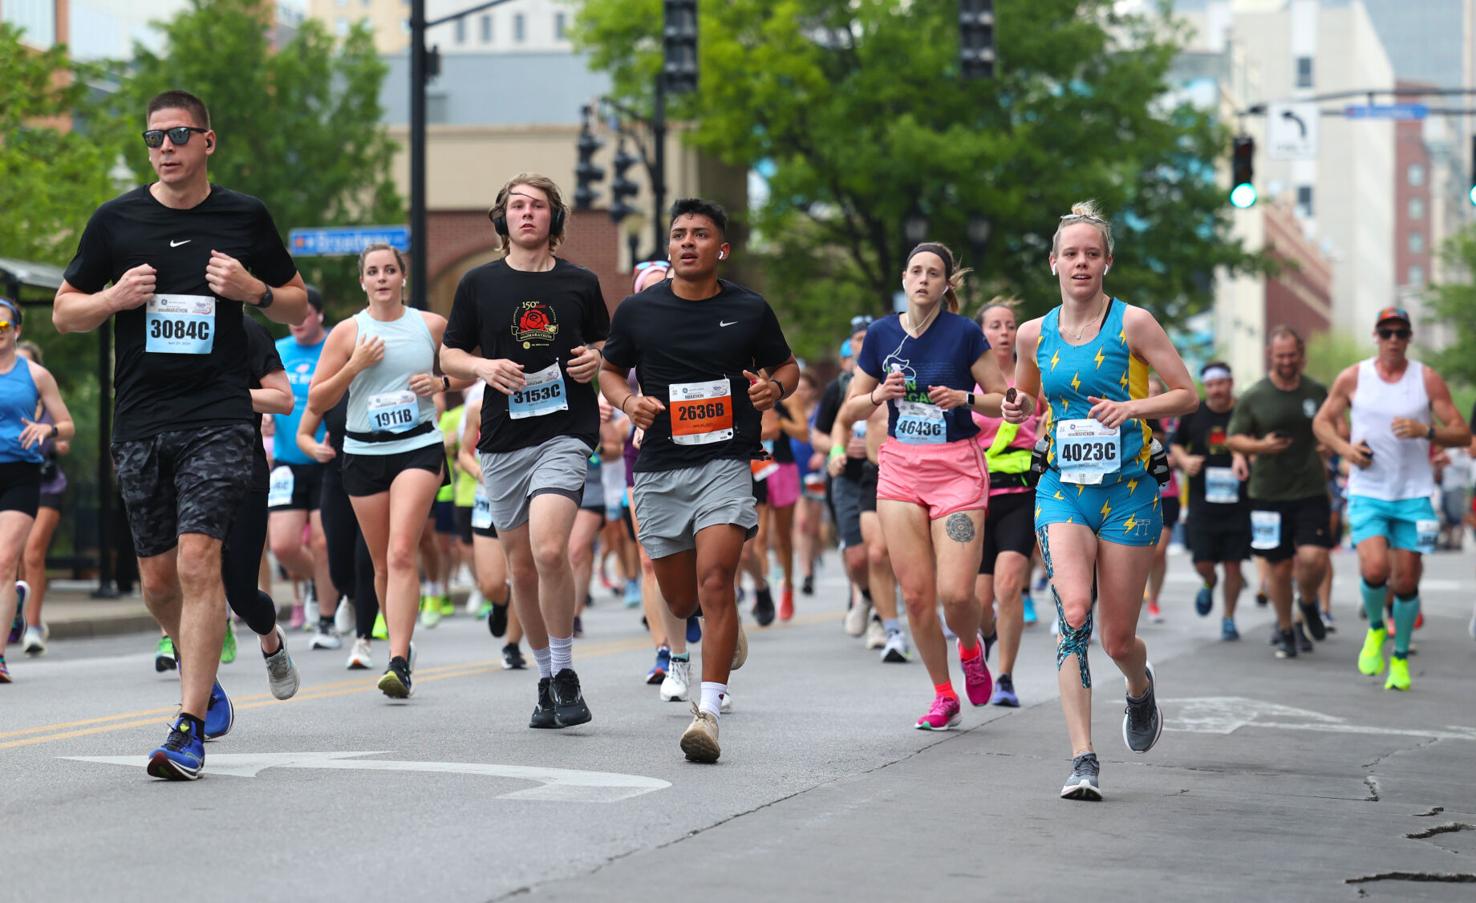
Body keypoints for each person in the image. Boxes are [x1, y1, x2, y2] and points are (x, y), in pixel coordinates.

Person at [53, 90, 309, 779]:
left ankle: (188, 724)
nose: (164, 147)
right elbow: (63, 313)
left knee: (200, 562)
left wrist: (252, 288)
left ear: (208, 141)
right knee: (158, 579)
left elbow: (295, 301)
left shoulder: (244, 216)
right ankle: (205, 673)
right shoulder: (116, 221)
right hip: (140, 420)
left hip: (218, 417)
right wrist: (111, 299)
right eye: (154, 138)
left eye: (177, 135)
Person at [1002, 201, 1198, 800]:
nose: (1081, 263)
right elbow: (1029, 400)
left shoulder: (1134, 323)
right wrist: (1016, 408)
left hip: (1130, 492)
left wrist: (1132, 409)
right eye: (1071, 254)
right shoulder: (1034, 333)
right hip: (1062, 488)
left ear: (1106, 261)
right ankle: (1082, 757)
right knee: (1075, 614)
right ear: (1054, 263)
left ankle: (1139, 686)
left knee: (1116, 637)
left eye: (1092, 253)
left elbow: (1186, 394)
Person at [600, 197, 798, 763]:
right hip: (661, 466)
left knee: (715, 577)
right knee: (683, 599)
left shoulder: (749, 309)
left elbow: (787, 365)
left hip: (725, 462)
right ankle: (722, 623)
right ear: (668, 247)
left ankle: (707, 712)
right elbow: (612, 370)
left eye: (701, 234)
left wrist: (774, 389)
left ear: (722, 248)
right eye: (680, 234)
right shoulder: (638, 312)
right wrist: (626, 403)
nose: (688, 242)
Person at [441, 173, 609, 730]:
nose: (527, 214)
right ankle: (544, 679)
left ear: (554, 220)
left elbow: (605, 346)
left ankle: (565, 672)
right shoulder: (478, 284)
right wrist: (484, 366)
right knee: (521, 568)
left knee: (549, 548)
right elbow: (449, 357)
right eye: (517, 206)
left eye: (538, 206)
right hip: (503, 439)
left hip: (565, 432)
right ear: (502, 219)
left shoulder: (580, 283)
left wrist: (594, 362)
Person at [838, 242, 1008, 732]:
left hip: (956, 470)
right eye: (916, 271)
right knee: (916, 595)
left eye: (934, 273)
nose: (924, 280)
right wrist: (877, 394)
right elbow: (849, 409)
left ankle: (972, 648)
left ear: (945, 284)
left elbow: (1000, 400)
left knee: (956, 594)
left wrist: (966, 397)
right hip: (900, 472)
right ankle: (943, 693)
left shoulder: (964, 334)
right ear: (905, 276)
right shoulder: (881, 334)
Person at [308, 243, 446, 699]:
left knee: (403, 551)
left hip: (418, 446)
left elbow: (467, 368)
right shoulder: (348, 333)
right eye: (373, 271)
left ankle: (399, 659)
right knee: (383, 560)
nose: (382, 277)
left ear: (403, 276)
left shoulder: (430, 326)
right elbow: (317, 400)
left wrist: (441, 382)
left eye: (390, 269)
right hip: (363, 451)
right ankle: (398, 640)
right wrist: (355, 366)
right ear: (362, 281)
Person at [1312, 307, 1468, 691]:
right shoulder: (1354, 377)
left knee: (1406, 580)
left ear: (1410, 337)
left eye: (1400, 332)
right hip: (1368, 490)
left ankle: (1399, 658)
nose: (1393, 339)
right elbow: (1321, 422)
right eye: (1387, 333)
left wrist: (1425, 430)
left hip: (1414, 494)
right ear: (1376, 336)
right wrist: (1345, 451)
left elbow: (1462, 432)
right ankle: (1377, 629)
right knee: (1376, 569)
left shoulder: (1426, 380)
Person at [1226, 326, 1333, 660]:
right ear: (1271, 354)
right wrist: (1262, 446)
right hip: (1267, 493)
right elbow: (1234, 438)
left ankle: (1310, 601)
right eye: (1280, 355)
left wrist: (1329, 442)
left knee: (1315, 558)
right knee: (1279, 568)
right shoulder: (1256, 395)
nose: (1287, 361)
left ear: (1301, 355)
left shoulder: (1316, 390)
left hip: (1310, 487)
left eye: (1292, 355)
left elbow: (1334, 426)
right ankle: (1286, 628)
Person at [1, 299, 75, 682]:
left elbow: (67, 425)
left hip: (19, 474)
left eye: (3, 325)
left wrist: (48, 429)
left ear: (16, 331)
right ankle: (14, 604)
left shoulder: (35, 374)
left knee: (4, 561)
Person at [970, 299, 1040, 706]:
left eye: (1010, 324)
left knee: (1009, 585)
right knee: (978, 601)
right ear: (982, 333)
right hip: (975, 495)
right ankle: (988, 632)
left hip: (1020, 494)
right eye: (995, 325)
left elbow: (1052, 416)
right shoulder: (968, 379)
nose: (1003, 332)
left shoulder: (1032, 377)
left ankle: (1006, 678)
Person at [228, 313, 301, 699]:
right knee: (186, 582)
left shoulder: (247, 331)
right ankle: (200, 697)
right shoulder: (160, 328)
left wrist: (226, 395)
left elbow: (284, 399)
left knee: (241, 593)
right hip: (180, 472)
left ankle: (271, 639)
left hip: (242, 470)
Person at [268, 286, 339, 641]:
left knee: (324, 542)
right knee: (282, 545)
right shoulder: (278, 350)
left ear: (320, 315)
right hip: (287, 462)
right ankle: (320, 582)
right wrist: (263, 419)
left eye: (307, 313)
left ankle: (327, 620)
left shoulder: (334, 347)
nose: (299, 320)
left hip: (326, 459)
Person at [298, 397, 382, 669]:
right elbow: (304, 435)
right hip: (336, 481)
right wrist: (315, 450)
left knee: (365, 560)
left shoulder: (384, 381)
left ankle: (363, 641)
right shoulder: (333, 387)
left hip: (374, 480)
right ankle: (350, 594)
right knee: (338, 565)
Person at [1170, 361, 1252, 640]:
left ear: (1230, 383)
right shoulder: (1195, 412)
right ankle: (1209, 581)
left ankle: (1228, 618)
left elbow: (1257, 443)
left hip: (1237, 499)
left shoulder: (1244, 411)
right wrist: (1184, 460)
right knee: (1202, 561)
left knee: (1233, 563)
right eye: (1211, 385)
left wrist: (1244, 455)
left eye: (1221, 383)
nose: (1216, 390)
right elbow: (1176, 442)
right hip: (1202, 499)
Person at [457, 384, 527, 670]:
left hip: (523, 497)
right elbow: (463, 454)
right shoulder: (477, 408)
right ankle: (500, 605)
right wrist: (479, 472)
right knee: (491, 584)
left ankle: (512, 645)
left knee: (521, 575)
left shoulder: (530, 404)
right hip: (487, 501)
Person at [813, 319, 874, 636]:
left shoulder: (892, 380)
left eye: (870, 337)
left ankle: (882, 620)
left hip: (882, 475)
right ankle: (865, 596)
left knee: (879, 551)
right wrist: (838, 449)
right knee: (856, 555)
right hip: (847, 478)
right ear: (851, 346)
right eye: (859, 339)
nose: (864, 344)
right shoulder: (838, 388)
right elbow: (818, 436)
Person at [14, 340, 69, 656]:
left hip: (47, 486)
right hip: (13, 483)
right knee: (14, 557)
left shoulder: (48, 401)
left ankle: (33, 626)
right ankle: (19, 618)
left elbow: (65, 430)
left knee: (33, 553)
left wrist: (56, 441)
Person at [1143, 377, 1182, 624]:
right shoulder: (1128, 416)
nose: (1153, 396)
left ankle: (1154, 599)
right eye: (1149, 391)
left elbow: (1180, 452)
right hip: (1134, 492)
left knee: (1158, 551)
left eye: (1157, 392)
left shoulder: (1171, 421)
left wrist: (1177, 458)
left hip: (1166, 492)